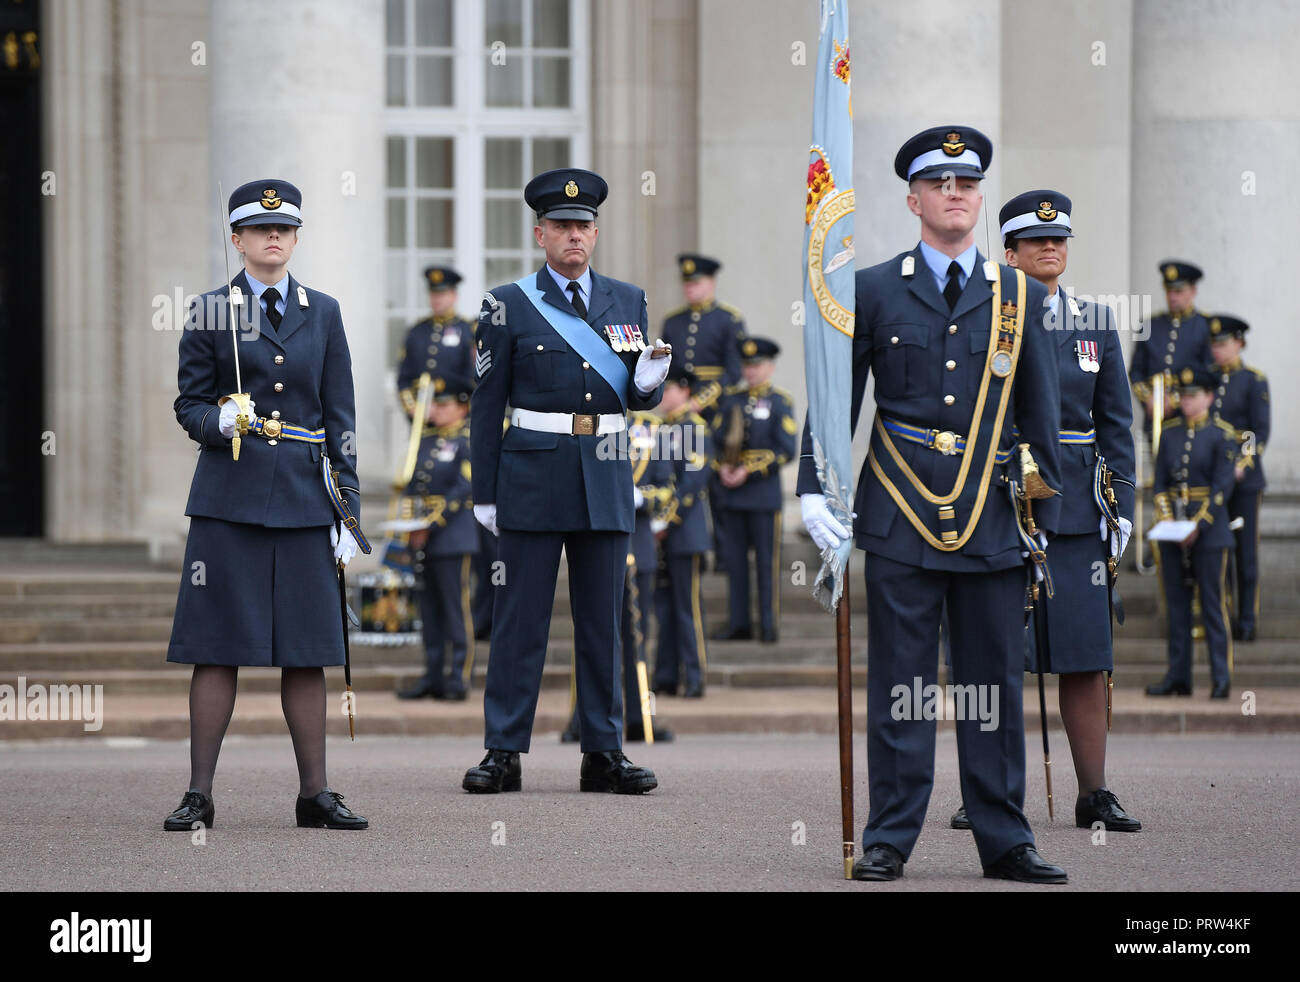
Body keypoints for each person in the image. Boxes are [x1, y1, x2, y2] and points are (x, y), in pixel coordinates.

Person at [798, 126, 1068, 883]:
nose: (956, 194)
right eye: (940, 184)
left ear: (980, 200)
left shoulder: (1020, 296)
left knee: (993, 685)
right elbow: (835, 397)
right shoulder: (874, 289)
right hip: (898, 513)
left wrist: (1041, 525)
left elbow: (1039, 420)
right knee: (902, 685)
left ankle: (1005, 839)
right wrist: (814, 487)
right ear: (913, 199)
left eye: (968, 184)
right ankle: (889, 836)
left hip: (990, 516)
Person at [164, 179, 368, 831]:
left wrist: (349, 512)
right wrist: (218, 421)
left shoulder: (326, 311)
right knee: (216, 648)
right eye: (258, 229)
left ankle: (316, 793)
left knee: (307, 650)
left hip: (308, 500)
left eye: (282, 229)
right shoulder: (207, 312)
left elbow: (342, 419)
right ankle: (199, 792)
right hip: (230, 498)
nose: (272, 237)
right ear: (238, 239)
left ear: (295, 237)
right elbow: (188, 403)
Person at [464, 167, 669, 794]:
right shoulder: (507, 303)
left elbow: (635, 400)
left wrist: (650, 382)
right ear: (540, 233)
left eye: (583, 227)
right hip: (531, 471)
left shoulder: (626, 299)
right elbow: (485, 401)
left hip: (604, 470)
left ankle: (604, 751)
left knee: (604, 620)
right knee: (519, 618)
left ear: (596, 233)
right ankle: (504, 751)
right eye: (561, 227)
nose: (573, 236)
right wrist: (484, 493)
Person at [950, 190, 1140, 834]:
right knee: (993, 654)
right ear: (1009, 253)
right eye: (1035, 241)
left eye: (1058, 240)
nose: (1050, 248)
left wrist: (1124, 506)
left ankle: (1095, 791)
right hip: (1003, 501)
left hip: (1081, 512)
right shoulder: (988, 315)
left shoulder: (1094, 319)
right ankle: (985, 793)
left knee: (1087, 655)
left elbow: (1116, 422)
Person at [560, 408, 676, 742]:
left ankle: (641, 718)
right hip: (595, 534)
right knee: (590, 631)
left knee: (637, 639)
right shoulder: (590, 418)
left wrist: (642, 497)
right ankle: (581, 719)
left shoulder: (656, 429)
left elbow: (668, 487)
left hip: (637, 541)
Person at [1146, 368, 1237, 698]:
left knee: (1213, 606)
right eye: (1182, 396)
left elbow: (1222, 487)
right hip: (1173, 531)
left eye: (1193, 396)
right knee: (1177, 606)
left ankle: (1221, 678)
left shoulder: (1221, 435)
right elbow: (1159, 485)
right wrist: (1170, 520)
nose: (1186, 401)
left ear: (1209, 397)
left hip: (1210, 534)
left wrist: (1199, 524)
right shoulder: (1169, 434)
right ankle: (1178, 677)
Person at [660, 254, 747, 572]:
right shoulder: (673, 322)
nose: (690, 290)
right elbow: (665, 367)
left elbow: (734, 370)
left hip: (717, 413)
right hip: (682, 412)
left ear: (711, 283)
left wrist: (701, 400)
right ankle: (686, 548)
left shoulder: (728, 319)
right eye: (687, 284)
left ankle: (723, 555)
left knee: (719, 486)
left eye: (696, 283)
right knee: (681, 476)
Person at [395, 370, 478, 700]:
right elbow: (412, 485)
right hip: (422, 537)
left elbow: (465, 487)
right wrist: (409, 526)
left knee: (455, 609)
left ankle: (458, 677)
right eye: (435, 405)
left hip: (452, 535)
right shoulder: (426, 440)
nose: (436, 410)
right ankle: (432, 675)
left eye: (444, 405)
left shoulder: (467, 440)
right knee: (428, 611)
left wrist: (429, 523)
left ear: (461, 408)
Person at [711, 337, 797, 643]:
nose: (751, 372)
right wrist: (721, 466)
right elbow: (714, 440)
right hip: (732, 496)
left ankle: (769, 624)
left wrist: (749, 469)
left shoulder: (780, 401)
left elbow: (787, 449)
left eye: (757, 365)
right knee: (735, 564)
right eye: (747, 366)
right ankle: (739, 623)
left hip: (763, 495)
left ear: (770, 367)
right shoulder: (732, 400)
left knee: (766, 563)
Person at [649, 364, 713, 698]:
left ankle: (695, 674)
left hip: (685, 532)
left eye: (669, 388)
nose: (664, 395)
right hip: (663, 534)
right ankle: (666, 675)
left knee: (688, 609)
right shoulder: (663, 427)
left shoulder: (693, 428)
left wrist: (664, 522)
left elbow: (690, 485)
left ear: (685, 390)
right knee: (664, 608)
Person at [1208, 316, 1269, 641]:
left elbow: (1259, 432)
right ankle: (1224, 618)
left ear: (1239, 343)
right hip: (1216, 482)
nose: (1218, 350)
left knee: (1245, 554)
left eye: (1223, 344)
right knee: (1220, 554)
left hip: (1244, 483)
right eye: (1214, 344)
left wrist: (1241, 465)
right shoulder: (1209, 381)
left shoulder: (1253, 380)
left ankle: (1247, 620)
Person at [1129, 261, 1213, 432]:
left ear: (1193, 291)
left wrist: (1175, 400)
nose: (1172, 297)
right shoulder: (1150, 325)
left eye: (1179, 291)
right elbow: (1136, 371)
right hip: (1154, 419)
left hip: (1191, 420)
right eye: (1169, 291)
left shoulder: (1205, 327)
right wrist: (1149, 399)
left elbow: (1211, 373)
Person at [396, 266, 476, 417]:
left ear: (454, 295)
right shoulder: (416, 332)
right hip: (424, 420)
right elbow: (404, 379)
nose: (436, 299)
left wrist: (461, 409)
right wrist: (414, 410)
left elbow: (477, 379)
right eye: (433, 294)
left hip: (461, 420)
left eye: (442, 294)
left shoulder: (469, 331)